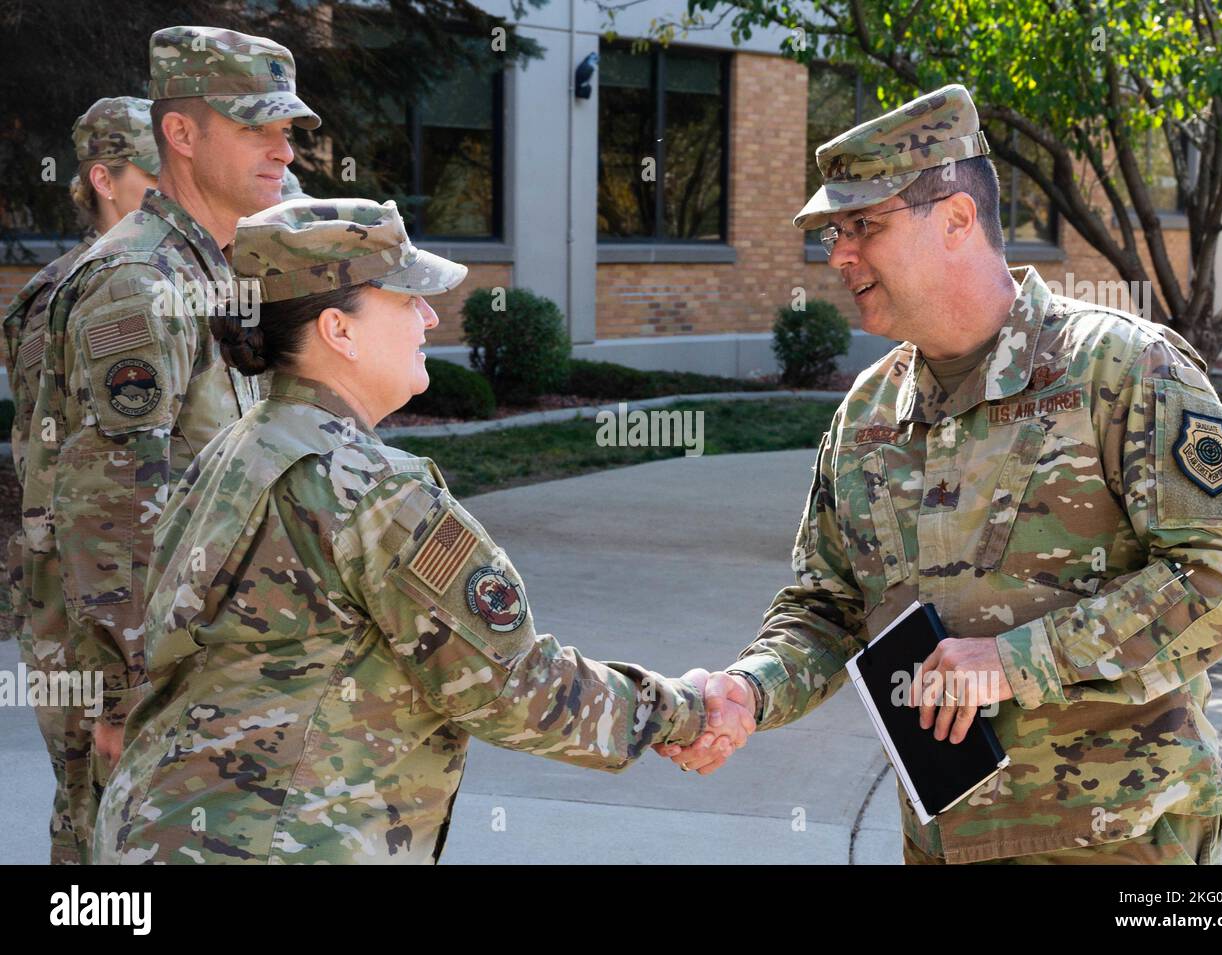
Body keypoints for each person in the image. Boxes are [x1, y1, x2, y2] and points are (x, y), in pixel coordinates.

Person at [659, 84, 1222, 865]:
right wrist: (749, 690)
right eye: (835, 231)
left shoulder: (1118, 367)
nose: (839, 252)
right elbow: (829, 605)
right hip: (944, 844)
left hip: (1120, 845)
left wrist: (1018, 660)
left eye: (865, 225)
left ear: (956, 218)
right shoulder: (868, 413)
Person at [93, 197, 753, 865]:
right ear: (337, 329)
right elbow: (515, 687)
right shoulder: (372, 487)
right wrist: (686, 710)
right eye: (407, 298)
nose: (431, 317)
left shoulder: (231, 450)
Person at [20, 25, 319, 864]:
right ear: (180, 135)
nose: (282, 149)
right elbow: (112, 511)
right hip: (139, 676)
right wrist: (125, 700)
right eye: (256, 127)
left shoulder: (212, 272)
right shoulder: (140, 283)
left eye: (286, 129)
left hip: (194, 662)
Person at [1, 96, 159, 865]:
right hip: (82, 608)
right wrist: (113, 673)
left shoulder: (178, 276)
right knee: (97, 807)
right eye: (152, 175)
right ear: (104, 176)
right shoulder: (75, 296)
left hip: (139, 599)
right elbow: (74, 480)